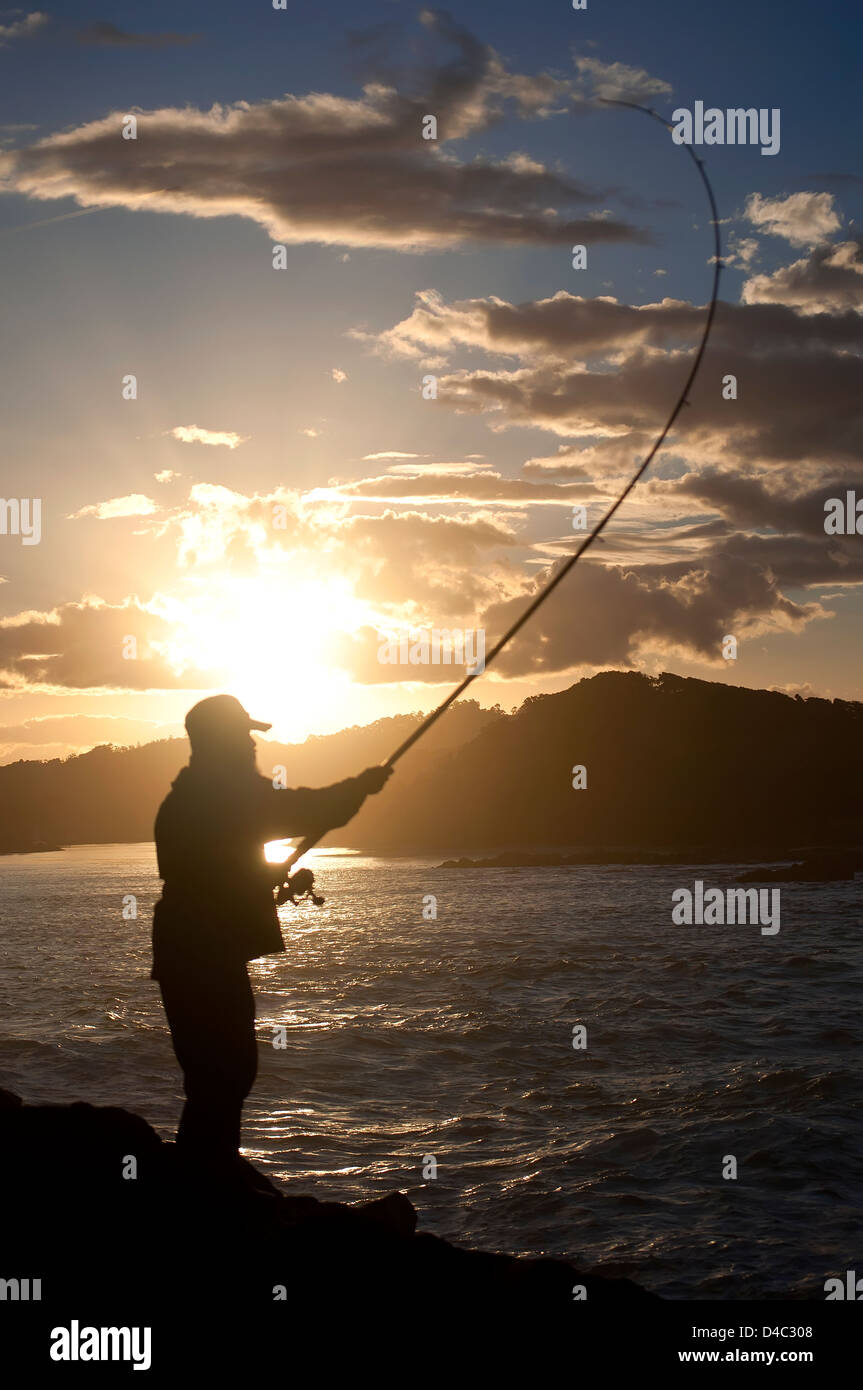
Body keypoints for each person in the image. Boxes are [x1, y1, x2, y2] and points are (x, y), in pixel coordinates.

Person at [151, 693, 392, 1171]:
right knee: (223, 1072)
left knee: (219, 1073)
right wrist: (359, 787)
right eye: (243, 736)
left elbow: (218, 871)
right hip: (202, 956)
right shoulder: (217, 796)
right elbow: (305, 810)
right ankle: (208, 1184)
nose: (251, 746)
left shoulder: (193, 798)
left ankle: (209, 1175)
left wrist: (259, 882)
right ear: (221, 741)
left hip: (193, 951)